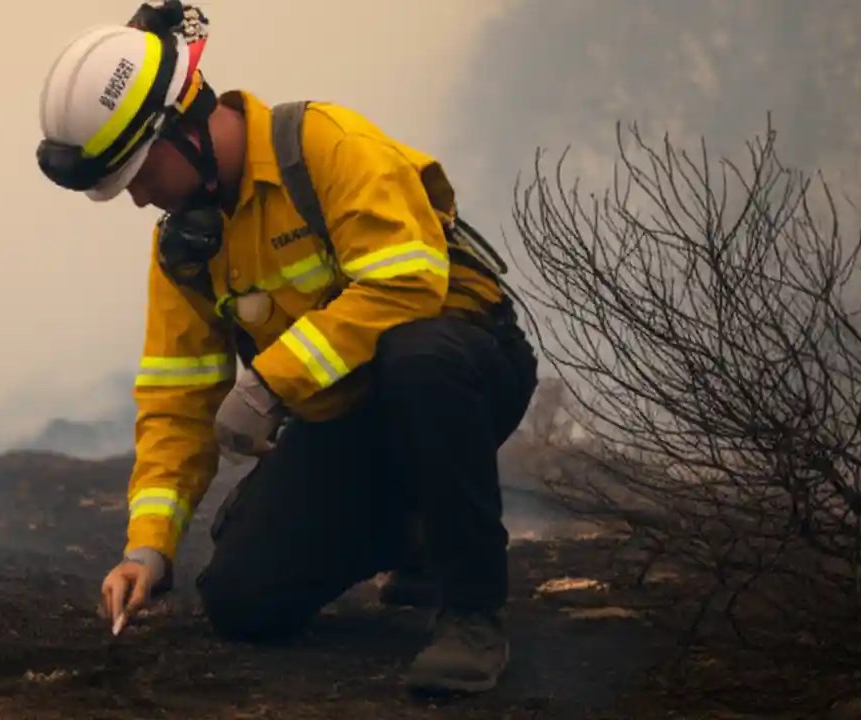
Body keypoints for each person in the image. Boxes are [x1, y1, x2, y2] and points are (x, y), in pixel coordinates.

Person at [34, 2, 538, 695]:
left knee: (421, 362)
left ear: (184, 129)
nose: (140, 201)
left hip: (468, 369)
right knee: (242, 600)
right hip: (351, 414)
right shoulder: (184, 249)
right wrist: (147, 550)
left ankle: (472, 616)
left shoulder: (327, 146)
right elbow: (176, 402)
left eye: (142, 175)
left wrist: (268, 384)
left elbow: (409, 285)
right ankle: (412, 524)